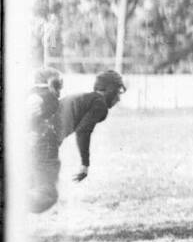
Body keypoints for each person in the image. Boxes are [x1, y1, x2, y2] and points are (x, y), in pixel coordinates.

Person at [60, 70, 127, 185]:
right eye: (117, 92)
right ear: (110, 90)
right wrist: (85, 164)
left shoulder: (88, 99)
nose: (118, 99)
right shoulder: (100, 104)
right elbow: (83, 131)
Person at [30, 67, 64, 213]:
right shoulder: (47, 98)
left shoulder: (31, 95)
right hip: (41, 151)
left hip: (35, 149)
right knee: (48, 194)